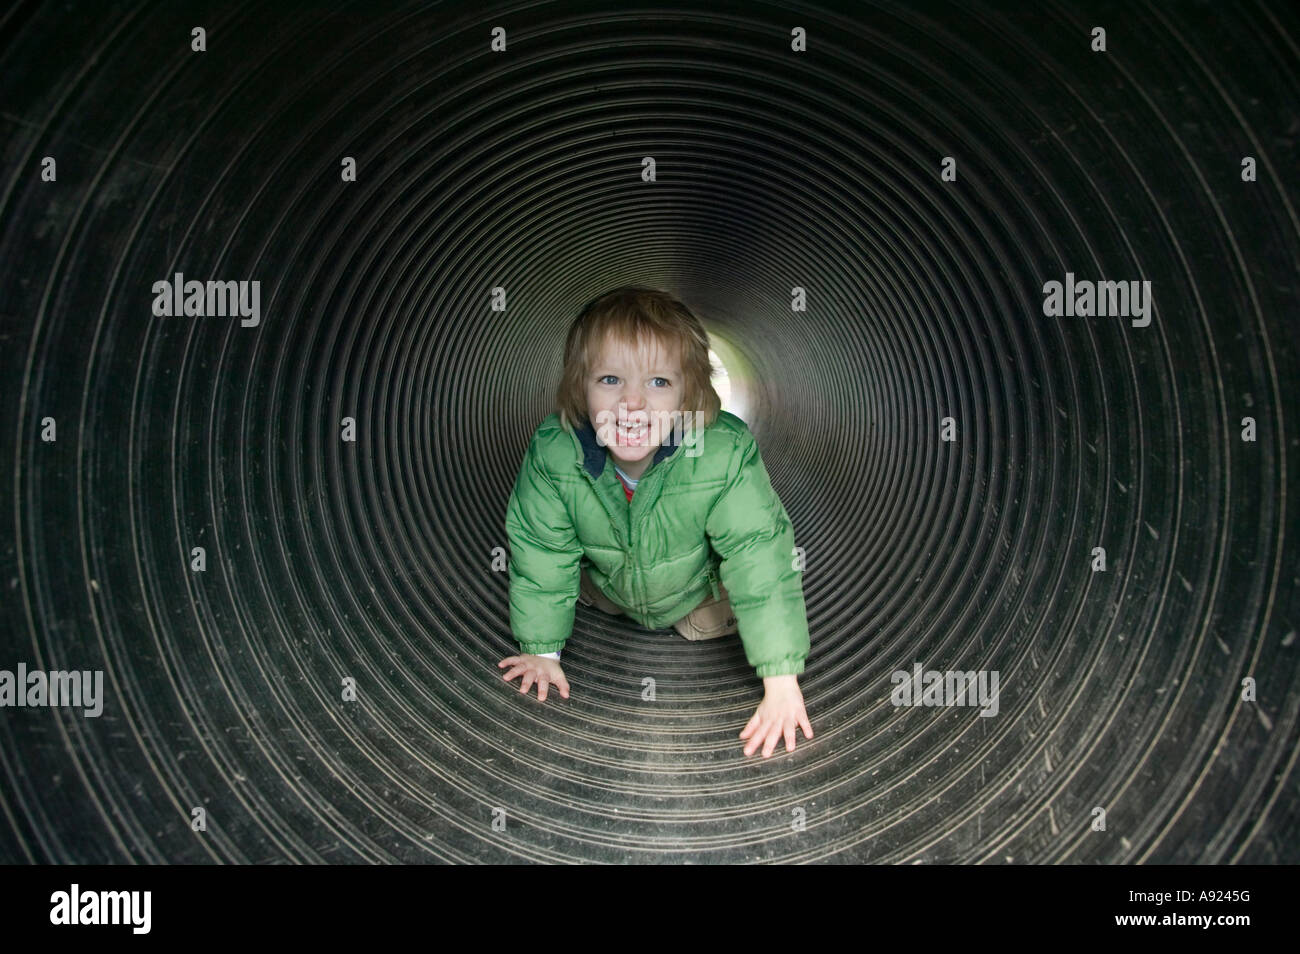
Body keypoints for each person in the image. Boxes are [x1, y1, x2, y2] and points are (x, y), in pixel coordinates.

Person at [498, 286, 812, 758]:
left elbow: (758, 555)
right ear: (579, 387)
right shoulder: (556, 452)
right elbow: (543, 551)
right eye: (609, 379)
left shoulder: (720, 454)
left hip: (697, 602)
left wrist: (781, 681)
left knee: (716, 609)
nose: (632, 403)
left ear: (691, 390)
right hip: (608, 594)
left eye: (658, 383)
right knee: (571, 577)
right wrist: (543, 651)